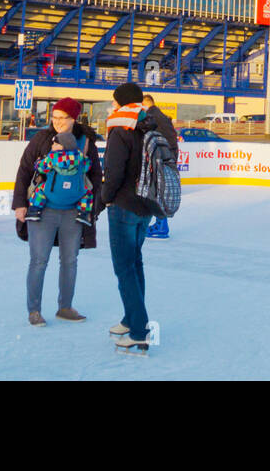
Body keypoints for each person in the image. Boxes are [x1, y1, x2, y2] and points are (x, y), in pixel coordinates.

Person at [13, 97, 102, 327]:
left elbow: (95, 177)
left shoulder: (85, 142)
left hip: (74, 211)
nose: (58, 122)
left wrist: (94, 209)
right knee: (39, 261)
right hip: (42, 210)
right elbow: (24, 170)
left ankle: (65, 307)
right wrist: (20, 203)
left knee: (70, 261)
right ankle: (34, 310)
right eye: (55, 117)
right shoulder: (41, 138)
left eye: (64, 118)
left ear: (74, 119)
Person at [100, 82, 156, 354]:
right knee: (135, 263)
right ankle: (130, 318)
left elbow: (113, 170)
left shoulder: (121, 127)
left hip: (123, 204)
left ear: (122, 103)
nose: (112, 107)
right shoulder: (152, 124)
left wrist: (105, 197)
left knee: (124, 267)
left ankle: (138, 331)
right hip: (147, 204)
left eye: (114, 102)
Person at [25, 130, 94, 226]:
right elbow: (87, 167)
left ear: (62, 146)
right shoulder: (80, 157)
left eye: (55, 144)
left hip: (53, 194)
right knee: (88, 193)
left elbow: (41, 168)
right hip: (75, 194)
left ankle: (34, 210)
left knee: (40, 189)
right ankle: (83, 213)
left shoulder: (52, 157)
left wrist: (37, 163)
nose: (52, 146)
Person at [141, 95, 178, 239]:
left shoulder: (152, 115)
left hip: (162, 156)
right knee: (157, 190)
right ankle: (160, 223)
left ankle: (161, 225)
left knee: (157, 191)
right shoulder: (158, 114)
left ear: (145, 103)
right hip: (167, 155)